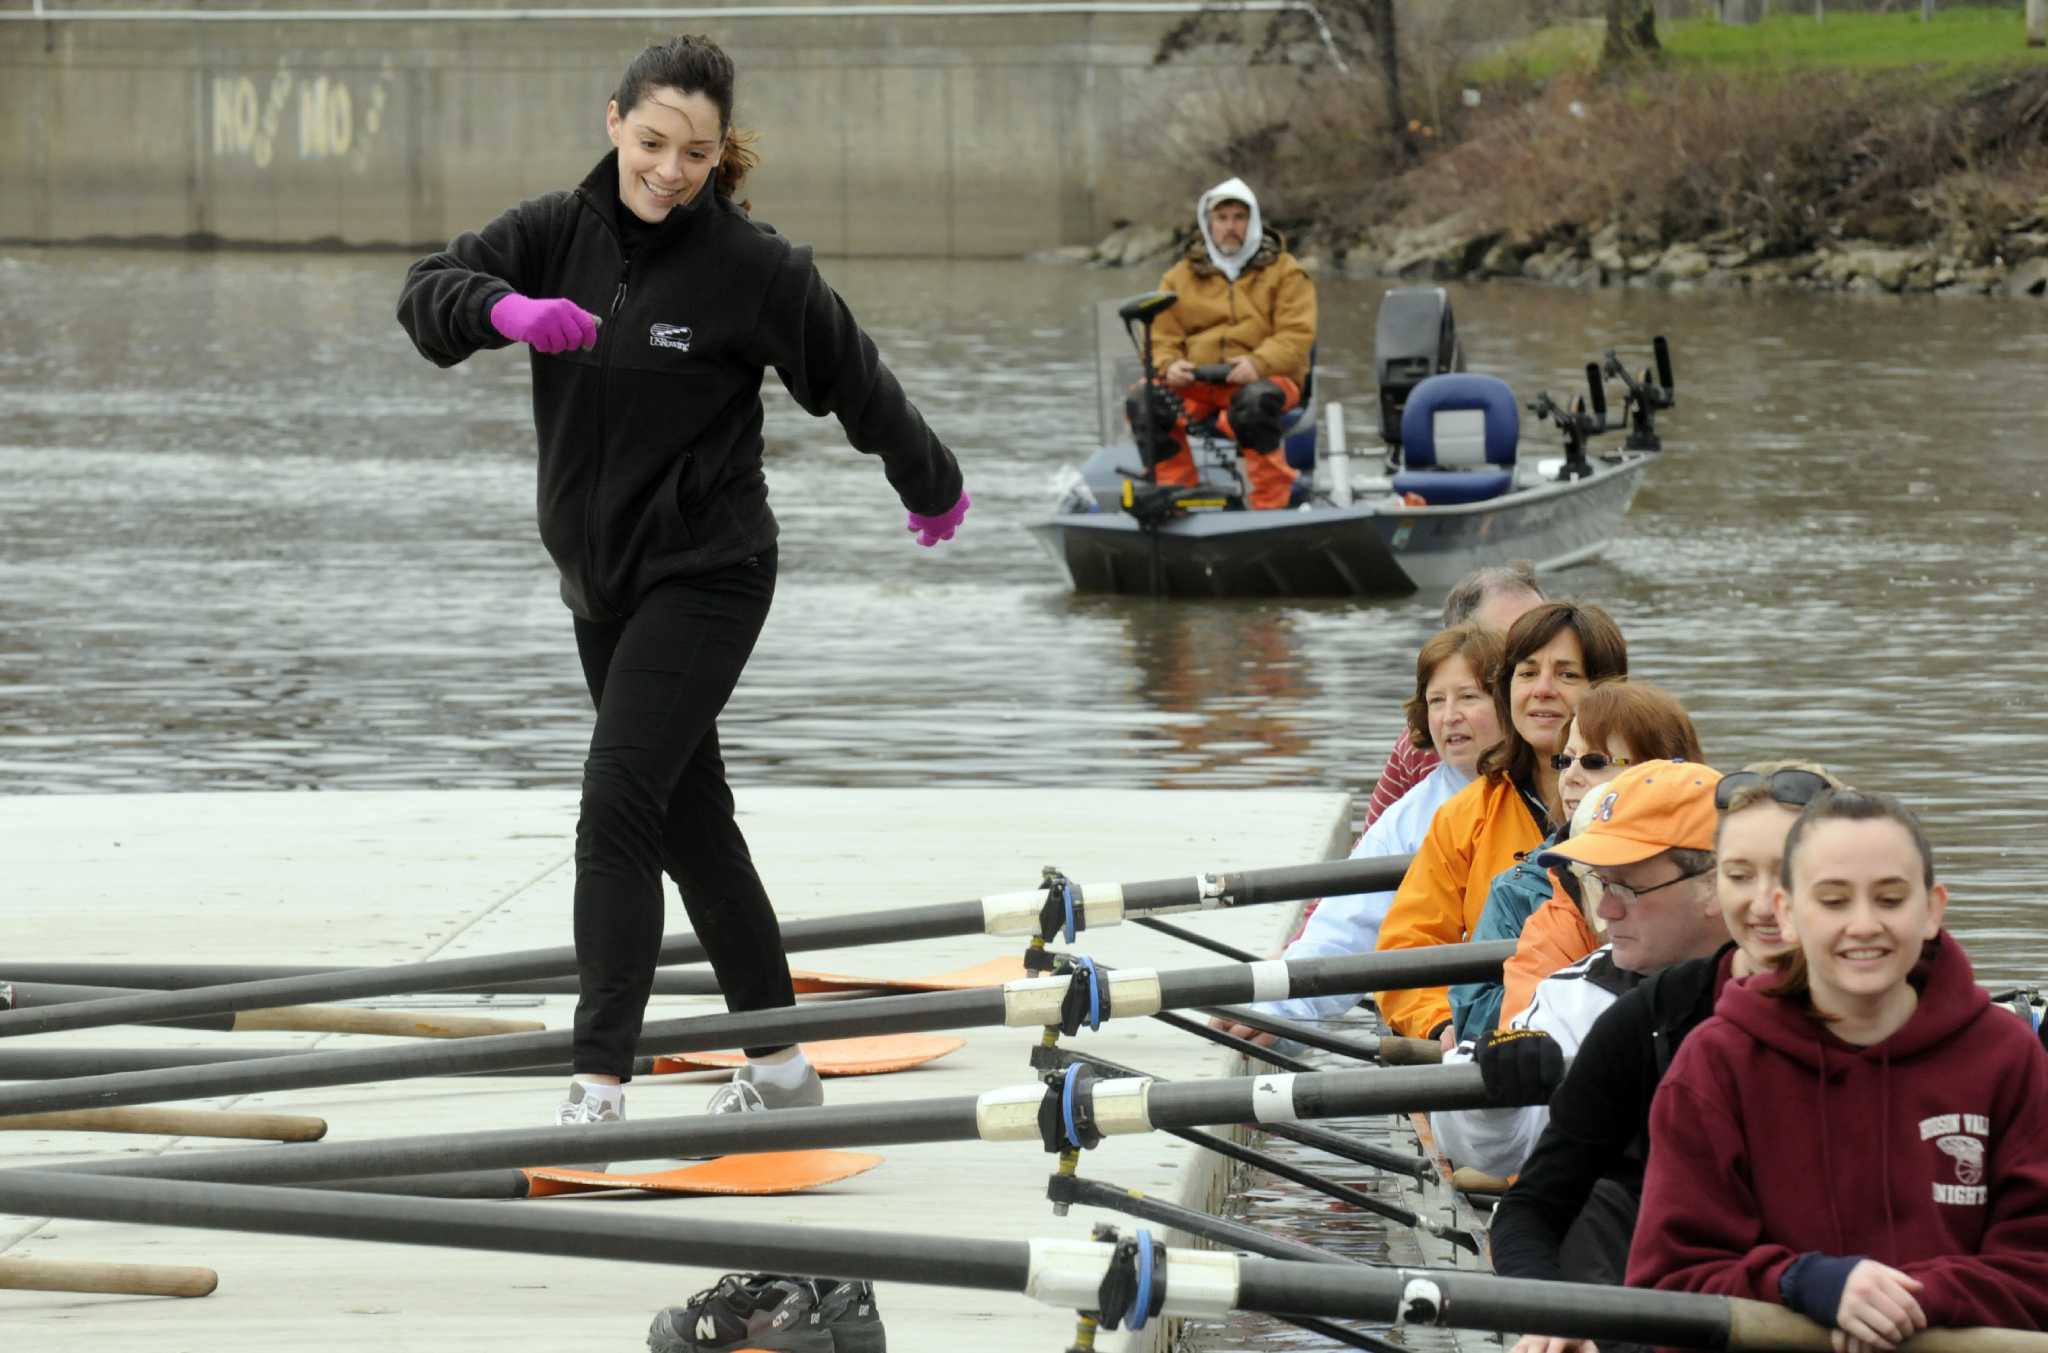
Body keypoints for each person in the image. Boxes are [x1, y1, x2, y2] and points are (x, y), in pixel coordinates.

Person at [396, 35, 970, 1127]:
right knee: (688, 824)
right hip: (598, 586)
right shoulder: (549, 234)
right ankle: (785, 1071)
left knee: (616, 803)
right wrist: (502, 312)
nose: (669, 169)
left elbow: (854, 377)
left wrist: (928, 480)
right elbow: (425, 295)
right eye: (652, 141)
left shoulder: (751, 268)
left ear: (720, 154)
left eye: (695, 153)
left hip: (710, 573)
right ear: (613, 120)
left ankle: (597, 1084)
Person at [1628, 789, 2048, 1346]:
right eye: (1833, 900)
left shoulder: (2009, 1056)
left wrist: (1901, 1300)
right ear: (1786, 913)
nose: (1864, 924)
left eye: (1891, 899)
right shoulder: (1715, 1063)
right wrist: (1806, 1283)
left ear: (1932, 910)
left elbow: (2037, 1268)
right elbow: (1668, 1285)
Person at [1495, 762, 1844, 1353]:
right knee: (1599, 1200)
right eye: (1744, 875)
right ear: (1720, 883)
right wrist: (1553, 1312)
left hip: (1852, 1311)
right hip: (1700, 1317)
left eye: (1789, 877)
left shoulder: (1943, 1037)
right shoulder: (1651, 1018)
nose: (1767, 903)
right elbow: (1530, 1209)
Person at [1429, 759, 1727, 1182]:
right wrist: (1495, 1093)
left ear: (1715, 883)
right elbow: (1497, 1152)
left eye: (1628, 886)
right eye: (1602, 884)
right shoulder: (1578, 997)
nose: (1605, 910)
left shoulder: (1814, 980)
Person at [1213, 622, 1506, 1042]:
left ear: (1506, 702)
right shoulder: (1407, 820)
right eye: (1436, 700)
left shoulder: (1560, 784)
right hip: (1449, 1026)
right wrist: (1276, 1010)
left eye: (1468, 697)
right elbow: (1344, 932)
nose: (1448, 716)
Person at [1372, 601, 1627, 1042]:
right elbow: (1409, 947)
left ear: (1606, 690)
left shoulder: (1658, 796)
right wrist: (1441, 1025)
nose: (1542, 690)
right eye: (1527, 674)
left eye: (1566, 675)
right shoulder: (1464, 816)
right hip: (1496, 1044)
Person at [1456, 680, 1706, 1041]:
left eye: (1594, 762)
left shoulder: (1738, 877)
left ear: (1665, 772)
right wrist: (1520, 1045)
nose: (1570, 776)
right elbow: (1492, 1020)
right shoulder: (1527, 895)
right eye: (1565, 760)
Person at [1128, 177, 1315, 510]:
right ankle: (1175, 492)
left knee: (1255, 403)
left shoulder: (1287, 272)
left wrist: (1257, 364)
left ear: (1253, 221)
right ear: (1208, 223)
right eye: (1222, 217)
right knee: (1144, 398)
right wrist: (1170, 365)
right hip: (1196, 383)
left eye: (1239, 217)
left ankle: (1272, 505)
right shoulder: (1177, 277)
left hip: (1266, 379)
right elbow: (1160, 337)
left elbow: (1296, 335)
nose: (1231, 226)